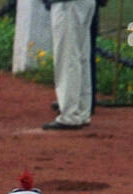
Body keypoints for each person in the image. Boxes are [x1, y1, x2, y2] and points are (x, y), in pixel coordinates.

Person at [43, 0, 98, 130]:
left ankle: (70, 115)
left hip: (68, 4)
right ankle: (81, 111)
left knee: (68, 57)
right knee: (81, 57)